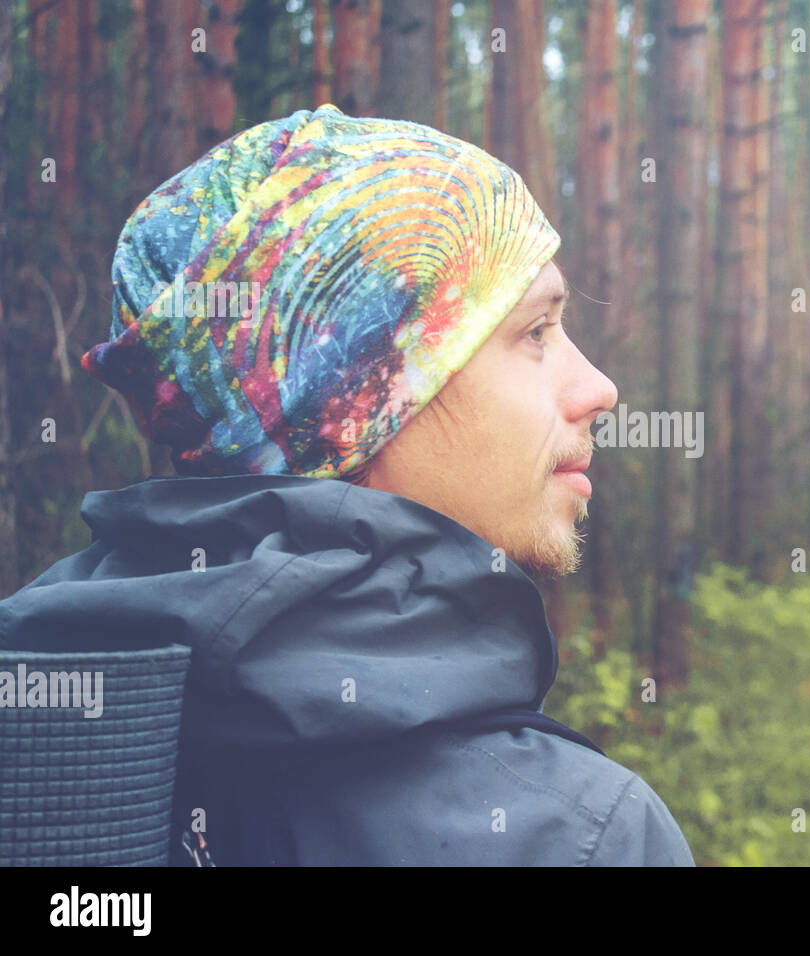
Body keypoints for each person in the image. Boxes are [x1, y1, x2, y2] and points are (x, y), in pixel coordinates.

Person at [0, 105, 694, 866]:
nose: (600, 388)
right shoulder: (578, 837)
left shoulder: (45, 726)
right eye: (535, 333)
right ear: (358, 406)